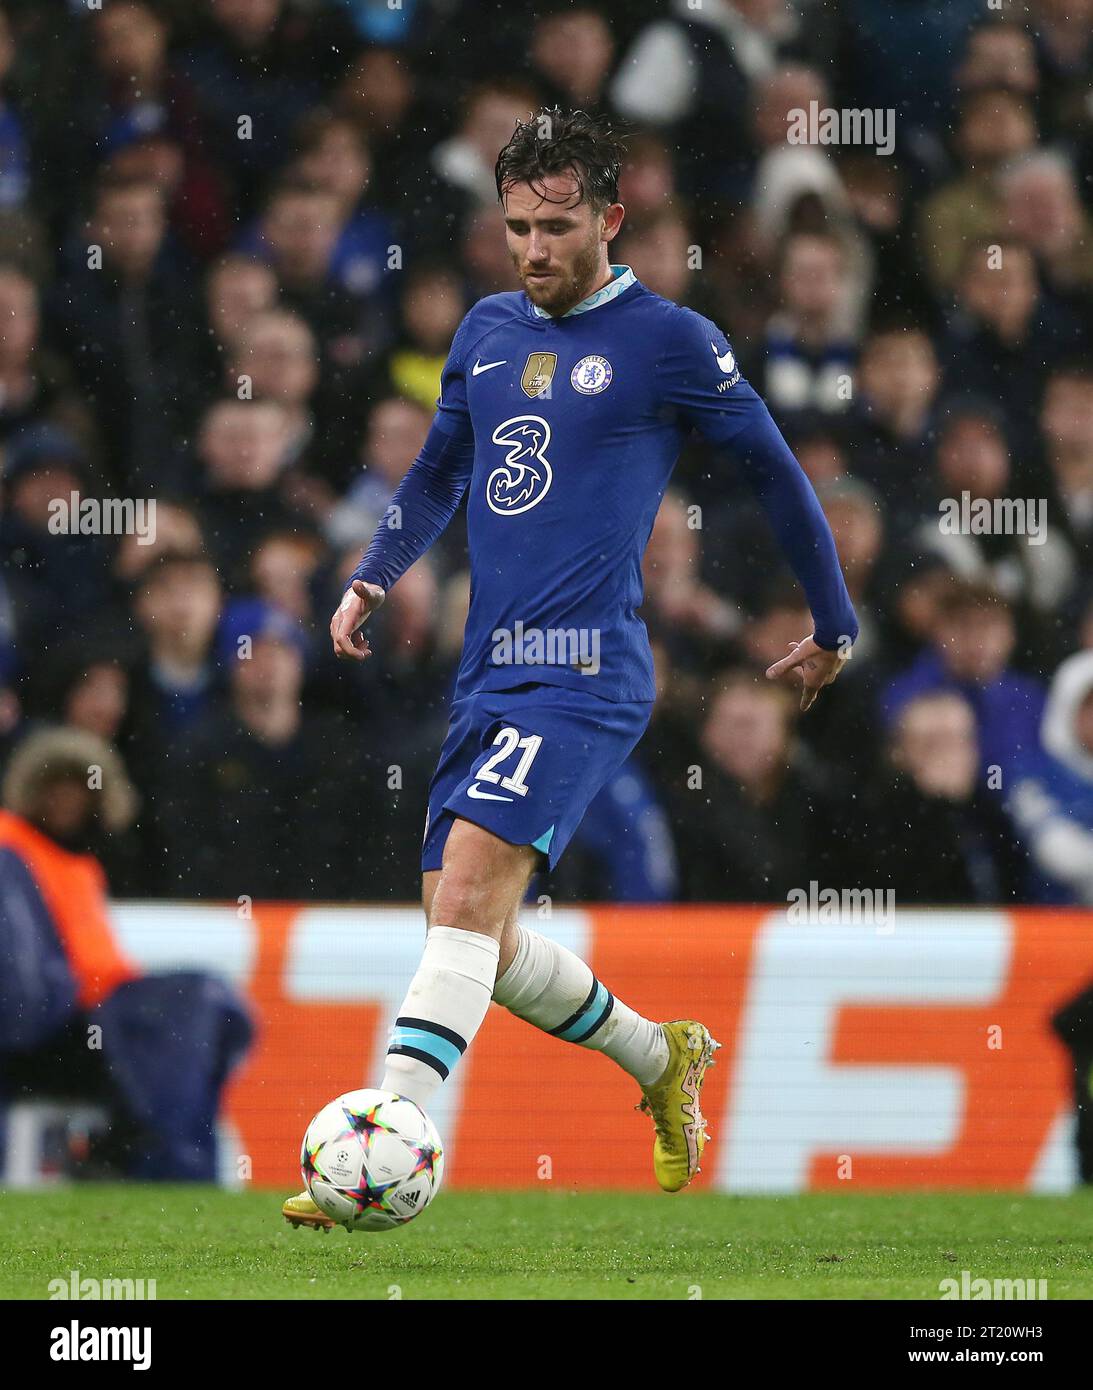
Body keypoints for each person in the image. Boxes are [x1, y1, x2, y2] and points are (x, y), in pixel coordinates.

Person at [284, 108, 857, 1229]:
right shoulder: (487, 329)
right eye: (516, 230)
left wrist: (833, 619)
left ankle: (376, 1148)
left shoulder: (671, 343)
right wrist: (373, 574)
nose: (534, 251)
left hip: (589, 672)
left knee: (462, 899)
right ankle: (659, 1058)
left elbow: (781, 477)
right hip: (487, 675)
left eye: (555, 228)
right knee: (476, 940)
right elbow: (438, 467)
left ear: (611, 217)